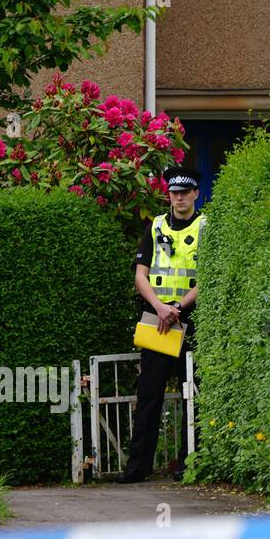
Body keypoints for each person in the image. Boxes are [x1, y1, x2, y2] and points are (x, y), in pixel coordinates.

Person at [118, 165, 204, 483]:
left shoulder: (206, 227)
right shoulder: (155, 227)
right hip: (158, 321)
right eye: (174, 193)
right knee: (149, 394)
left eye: (185, 192)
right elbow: (140, 274)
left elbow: (206, 277)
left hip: (189, 321)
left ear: (195, 193)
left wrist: (178, 307)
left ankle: (187, 464)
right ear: (168, 195)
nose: (179, 198)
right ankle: (137, 467)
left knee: (190, 394)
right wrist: (159, 306)